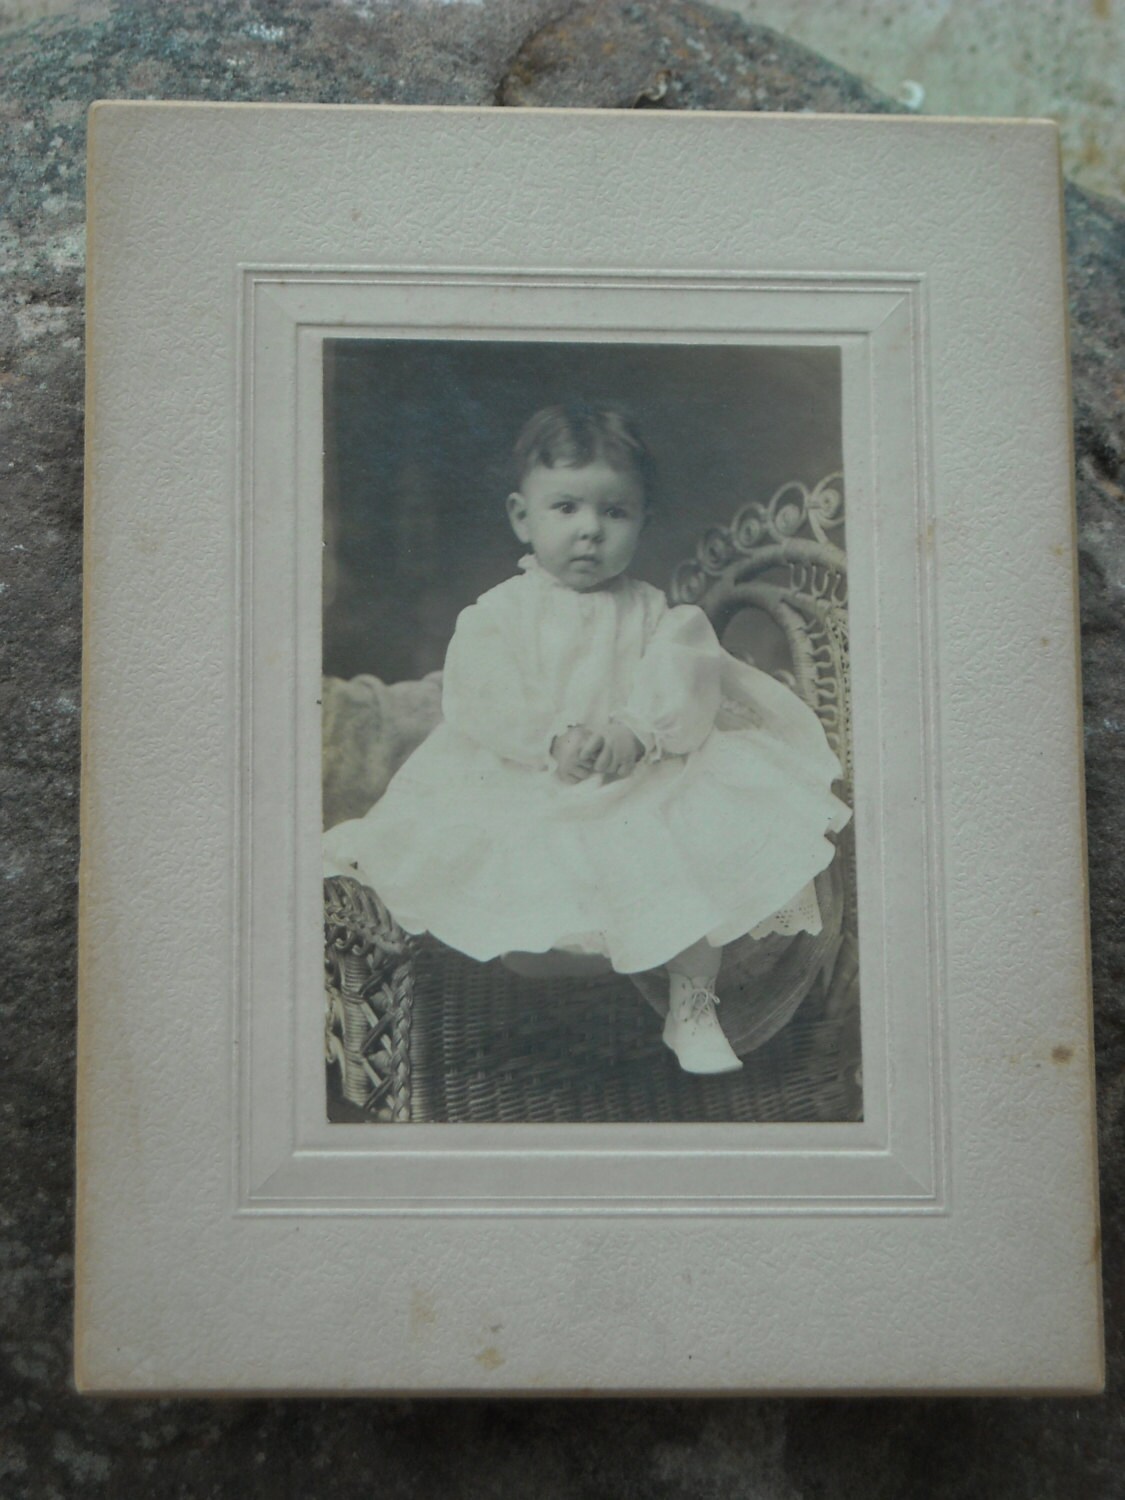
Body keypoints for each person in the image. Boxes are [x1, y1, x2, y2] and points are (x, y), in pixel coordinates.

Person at [324, 403, 850, 1074]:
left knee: (697, 850)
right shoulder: (497, 616)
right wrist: (552, 739)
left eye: (614, 513)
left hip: (641, 779)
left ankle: (691, 1004)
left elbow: (685, 684)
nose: (588, 532)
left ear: (642, 522)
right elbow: (480, 699)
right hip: (529, 776)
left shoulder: (658, 616)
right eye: (566, 508)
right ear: (523, 516)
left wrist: (636, 731)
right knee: (505, 857)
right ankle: (508, 1015)